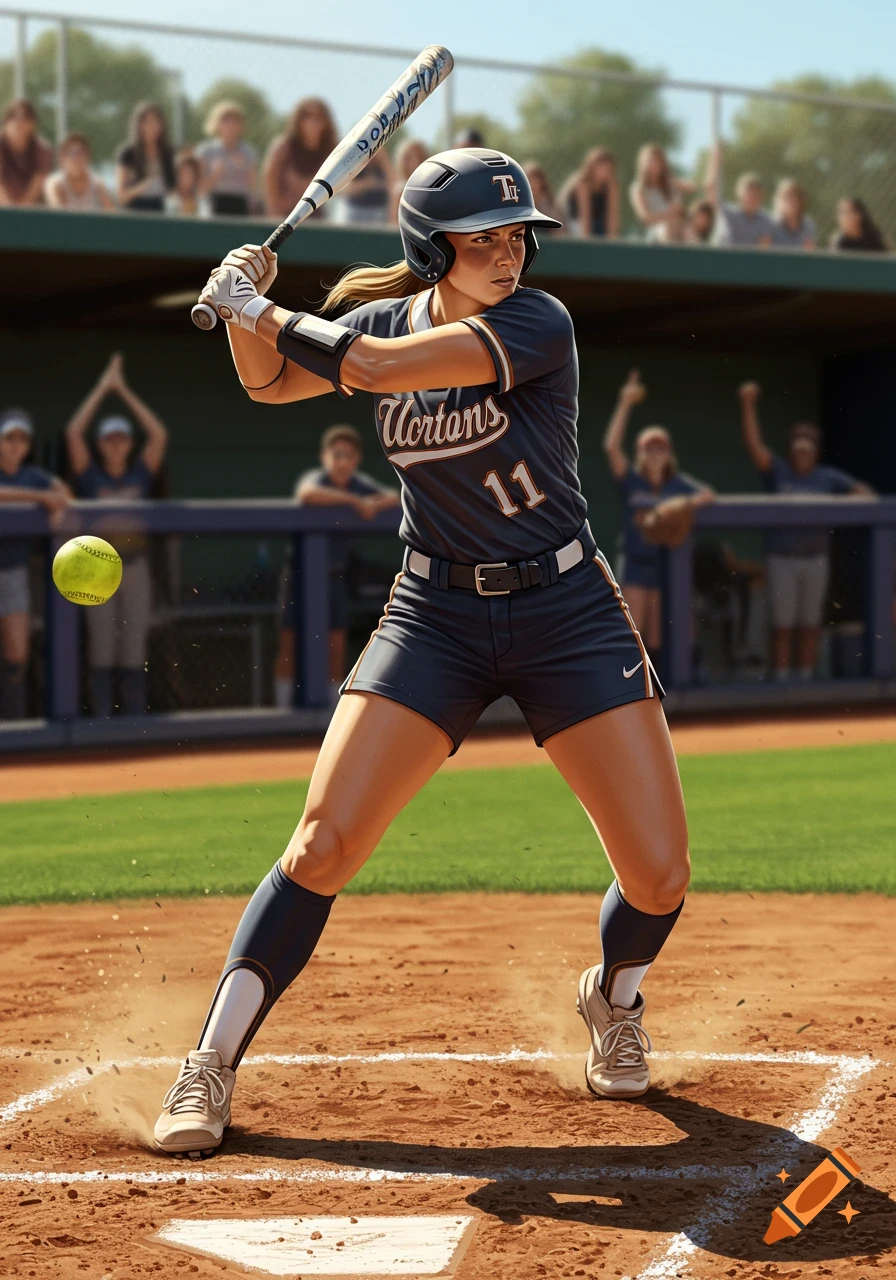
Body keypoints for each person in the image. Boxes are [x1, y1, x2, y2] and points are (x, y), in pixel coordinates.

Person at [153, 148, 692, 1157]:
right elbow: (271, 386)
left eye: (515, 233)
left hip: (566, 609)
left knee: (659, 873)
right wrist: (240, 313)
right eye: (480, 237)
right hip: (431, 616)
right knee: (320, 842)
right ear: (427, 245)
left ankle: (611, 997)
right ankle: (209, 1064)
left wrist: (261, 311)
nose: (505, 251)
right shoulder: (376, 316)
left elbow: (372, 373)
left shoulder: (536, 323)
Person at [737, 381, 873, 682]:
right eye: (797, 448)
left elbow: (867, 495)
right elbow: (754, 445)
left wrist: (833, 502)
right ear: (791, 450)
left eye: (807, 449)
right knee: (782, 626)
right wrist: (748, 404)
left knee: (810, 626)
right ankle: (782, 683)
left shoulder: (827, 477)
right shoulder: (780, 472)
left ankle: (805, 683)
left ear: (814, 452)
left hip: (815, 559)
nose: (802, 454)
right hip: (781, 558)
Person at [65, 353, 168, 717]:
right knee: (102, 646)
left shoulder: (140, 473)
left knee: (134, 645)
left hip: (135, 565)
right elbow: (74, 432)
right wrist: (101, 389)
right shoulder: (90, 476)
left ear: (128, 442)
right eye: (109, 439)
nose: (116, 444)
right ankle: (103, 721)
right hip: (96, 568)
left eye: (122, 438)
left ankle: (134, 721)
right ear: (101, 443)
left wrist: (122, 390)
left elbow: (157, 433)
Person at [274, 424, 400, 708]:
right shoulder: (317, 479)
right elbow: (307, 494)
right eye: (337, 454)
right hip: (299, 577)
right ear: (325, 456)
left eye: (349, 455)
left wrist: (372, 504)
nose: (342, 461)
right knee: (289, 644)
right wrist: (355, 502)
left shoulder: (360, 482)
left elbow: (392, 496)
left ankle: (331, 711)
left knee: (335, 644)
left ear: (356, 459)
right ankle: (281, 714)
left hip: (334, 577)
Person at [604, 370, 714, 669]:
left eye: (660, 447)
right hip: (636, 564)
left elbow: (707, 496)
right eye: (649, 447)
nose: (655, 453)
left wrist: (681, 504)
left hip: (665, 565)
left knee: (658, 637)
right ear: (640, 453)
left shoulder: (678, 483)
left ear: (669, 453)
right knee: (633, 633)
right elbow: (612, 447)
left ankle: (662, 702)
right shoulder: (633, 481)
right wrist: (625, 402)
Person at [0, 409, 70, 720]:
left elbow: (63, 494)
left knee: (17, 654)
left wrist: (57, 501)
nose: (15, 445)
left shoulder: (35, 476)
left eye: (22, 439)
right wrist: (41, 499)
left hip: (13, 570)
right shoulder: (33, 486)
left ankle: (12, 723)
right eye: (9, 438)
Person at [263, 98, 337, 219]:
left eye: (318, 117)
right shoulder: (284, 147)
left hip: (315, 214)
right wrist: (275, 210)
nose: (313, 123)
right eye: (307, 117)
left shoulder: (330, 150)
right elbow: (270, 178)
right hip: (283, 215)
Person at [196, 101, 257, 218]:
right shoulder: (206, 151)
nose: (231, 125)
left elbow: (253, 187)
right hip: (213, 205)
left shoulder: (248, 153)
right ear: (215, 123)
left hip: (240, 206)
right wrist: (216, 174)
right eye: (226, 120)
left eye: (235, 120)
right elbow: (200, 189)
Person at [116, 102, 176, 214]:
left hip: (162, 212)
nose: (152, 126)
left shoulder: (168, 153)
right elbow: (121, 196)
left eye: (156, 121)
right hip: (135, 212)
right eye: (146, 122)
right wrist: (143, 186)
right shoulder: (128, 153)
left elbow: (173, 191)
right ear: (139, 125)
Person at [629, 143, 694, 243]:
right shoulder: (638, 188)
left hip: (676, 225)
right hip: (653, 230)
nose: (654, 165)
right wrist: (670, 214)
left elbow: (692, 187)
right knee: (667, 229)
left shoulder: (670, 184)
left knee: (689, 232)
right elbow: (645, 218)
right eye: (650, 161)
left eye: (657, 161)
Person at [0, 98, 53, 207]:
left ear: (33, 124)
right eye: (13, 117)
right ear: (5, 122)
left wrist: (20, 214)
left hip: (31, 210)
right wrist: (9, 211)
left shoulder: (42, 149)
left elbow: (37, 185)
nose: (19, 123)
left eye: (25, 118)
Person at [44, 132, 115, 212]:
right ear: (62, 158)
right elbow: (59, 215)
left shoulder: (98, 184)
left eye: (81, 153)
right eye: (71, 153)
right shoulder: (55, 183)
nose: (76, 158)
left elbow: (111, 213)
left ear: (88, 156)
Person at [562, 148, 618, 238]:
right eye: (601, 167)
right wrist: (587, 245)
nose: (605, 172)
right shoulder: (582, 182)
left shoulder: (611, 184)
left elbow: (612, 215)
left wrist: (612, 241)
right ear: (591, 167)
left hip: (596, 221)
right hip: (571, 222)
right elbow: (585, 215)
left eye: (608, 169)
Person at [712, 173, 774, 248]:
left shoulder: (766, 221)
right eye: (748, 192)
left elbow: (764, 251)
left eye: (756, 193)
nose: (752, 197)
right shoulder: (726, 212)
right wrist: (716, 162)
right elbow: (712, 189)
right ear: (738, 193)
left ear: (761, 196)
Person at [338, 148, 393, 226]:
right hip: (355, 210)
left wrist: (382, 159)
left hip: (378, 211)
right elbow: (343, 189)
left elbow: (392, 182)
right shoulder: (352, 158)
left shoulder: (381, 161)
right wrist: (365, 184)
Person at [389, 139, 429, 223]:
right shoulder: (399, 192)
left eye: (419, 156)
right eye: (408, 158)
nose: (415, 163)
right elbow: (394, 225)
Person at [771, 179, 815, 250]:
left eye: (794, 198)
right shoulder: (771, 225)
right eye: (786, 198)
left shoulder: (808, 226)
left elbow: (809, 254)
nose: (791, 202)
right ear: (778, 201)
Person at [523, 162, 563, 233]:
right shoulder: (518, 207)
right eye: (528, 179)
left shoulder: (552, 207)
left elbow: (559, 234)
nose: (531, 183)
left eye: (535, 179)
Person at [167, 149, 202, 217]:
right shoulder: (168, 198)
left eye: (190, 173)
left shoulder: (202, 199)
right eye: (182, 173)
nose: (186, 177)